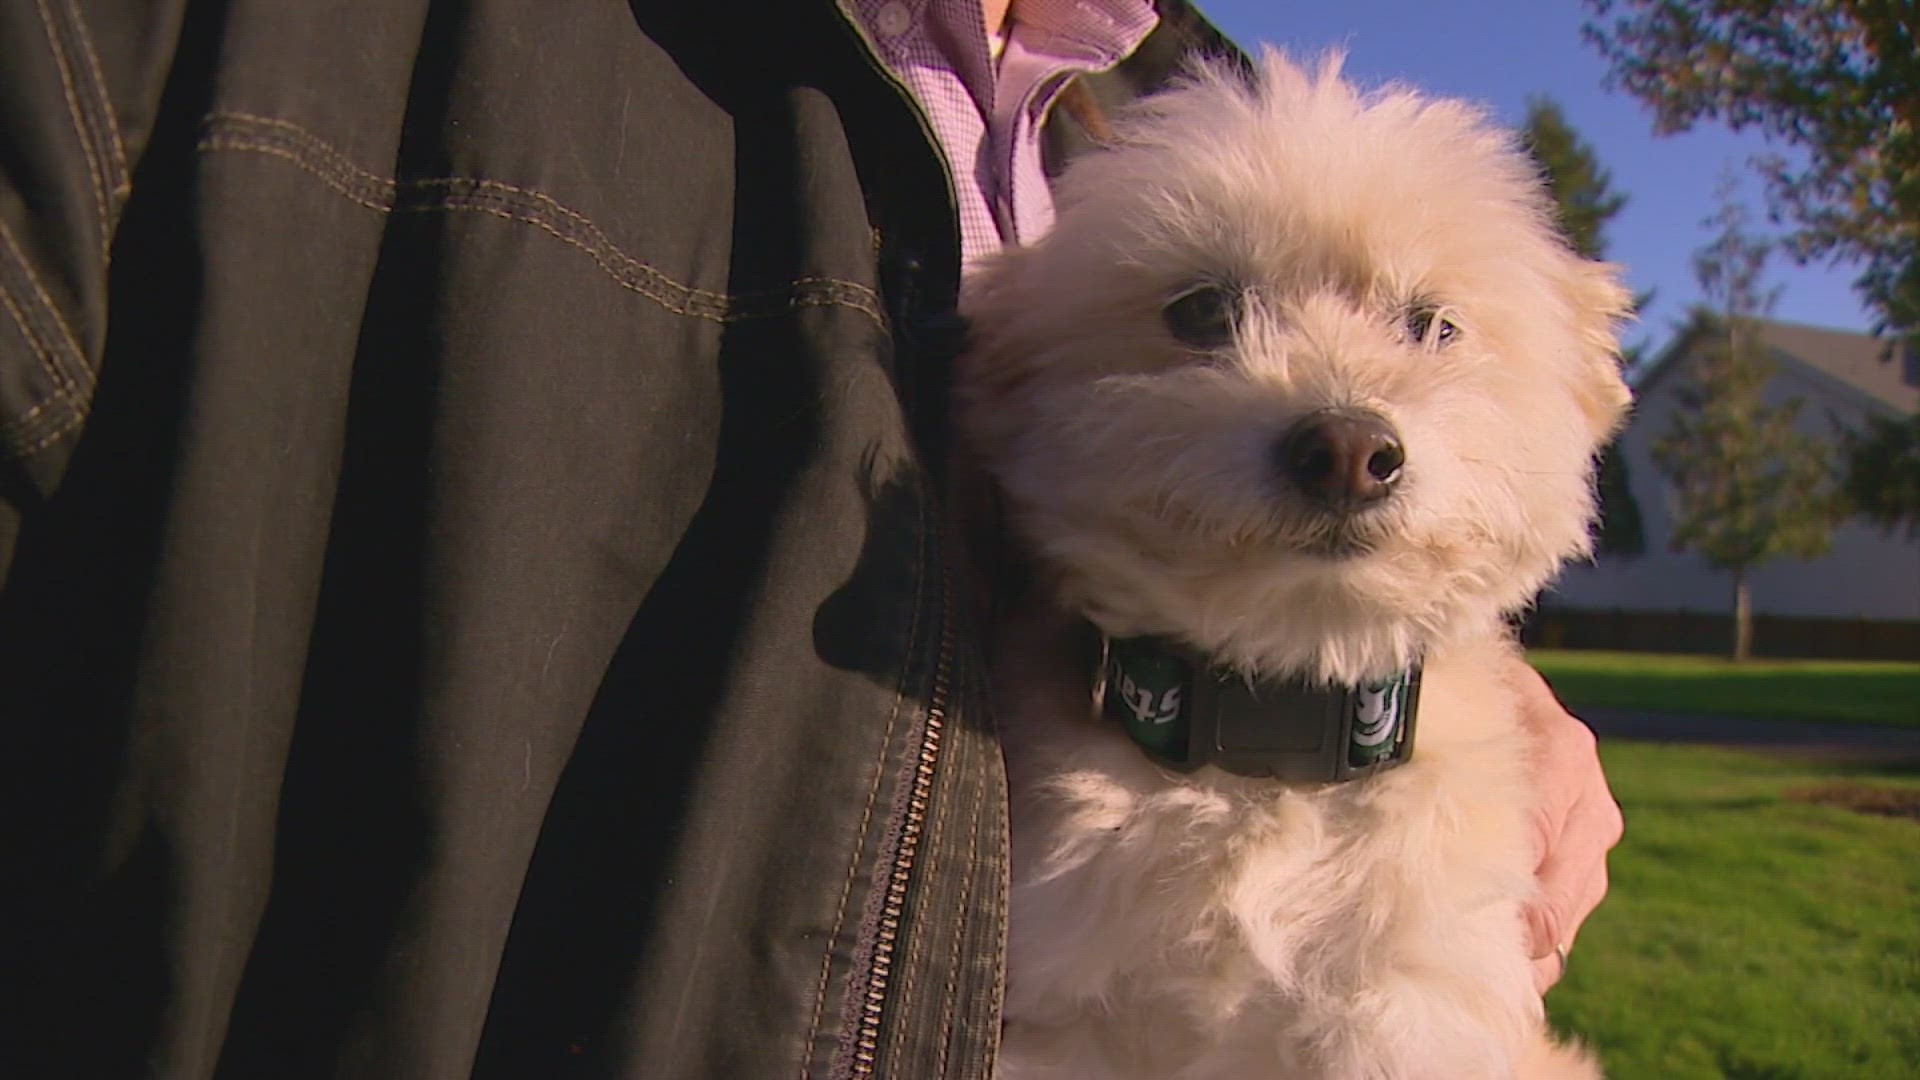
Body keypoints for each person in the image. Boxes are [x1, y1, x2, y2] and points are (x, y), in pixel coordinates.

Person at [0, 1, 1620, 1076]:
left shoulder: (1174, 94)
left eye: (1421, 323)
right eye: (1209, 318)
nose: (1341, 410)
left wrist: (1418, 661)